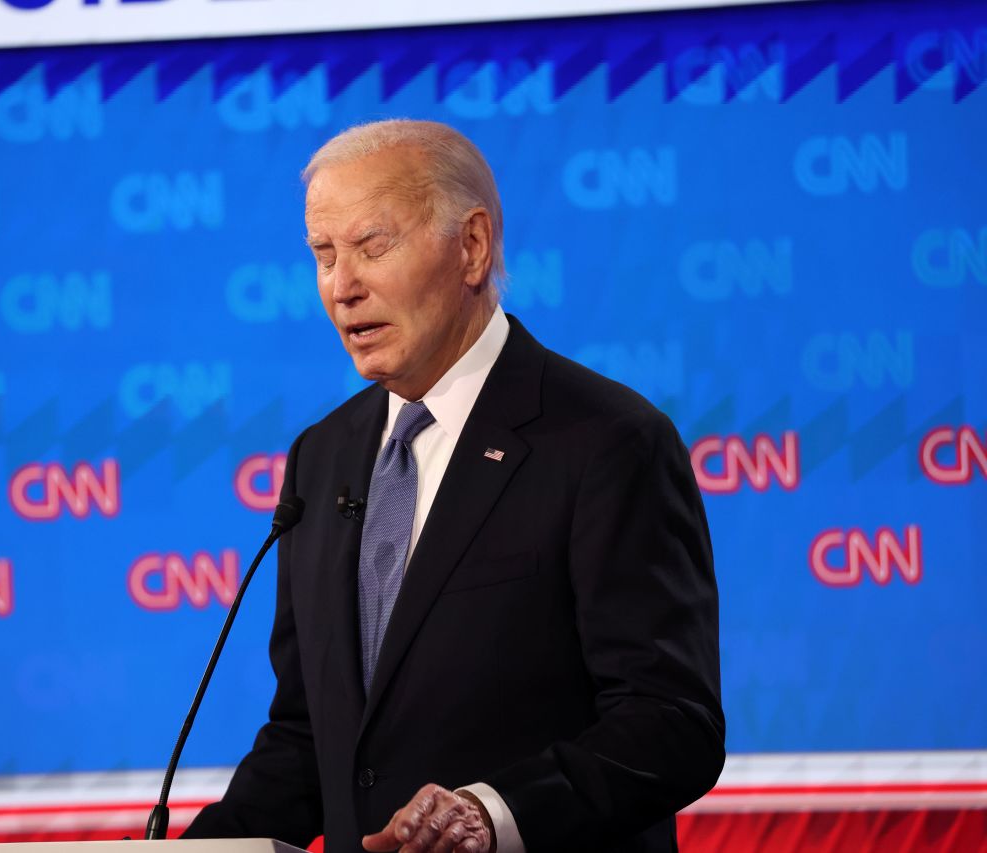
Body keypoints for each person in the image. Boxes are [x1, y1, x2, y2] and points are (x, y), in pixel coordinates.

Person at [182, 119, 724, 852]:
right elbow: (310, 736)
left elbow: (670, 721)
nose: (343, 287)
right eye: (324, 254)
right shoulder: (323, 456)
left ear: (471, 246)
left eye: (373, 246)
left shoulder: (605, 440)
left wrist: (494, 812)